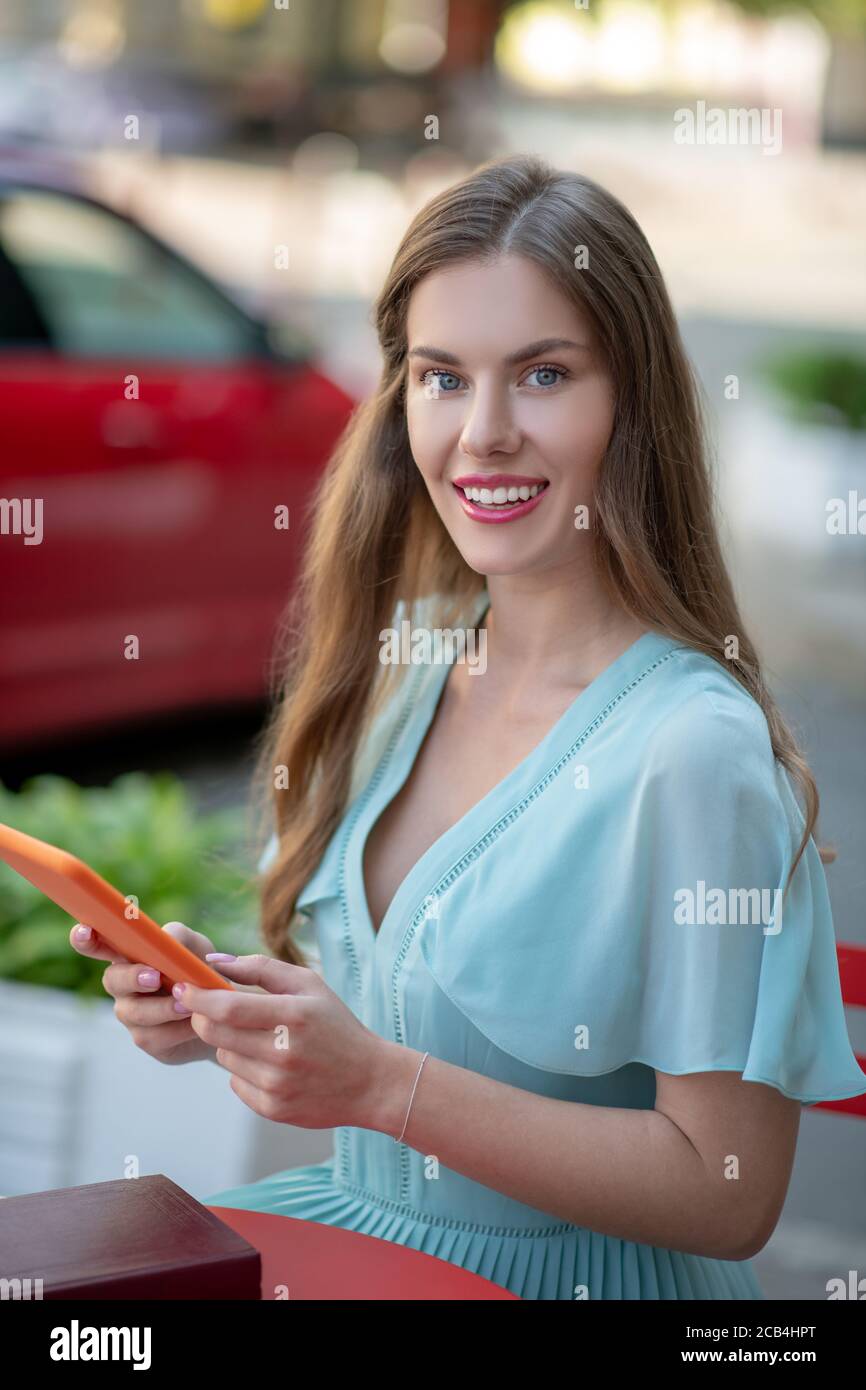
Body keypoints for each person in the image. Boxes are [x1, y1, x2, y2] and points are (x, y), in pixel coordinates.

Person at [71, 154, 866, 1301]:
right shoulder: (408, 660)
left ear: (631, 404)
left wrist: (376, 1085)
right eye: (441, 378)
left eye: (541, 375)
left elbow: (728, 1194)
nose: (481, 432)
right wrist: (231, 1013)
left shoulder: (690, 750)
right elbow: (399, 1017)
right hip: (360, 1240)